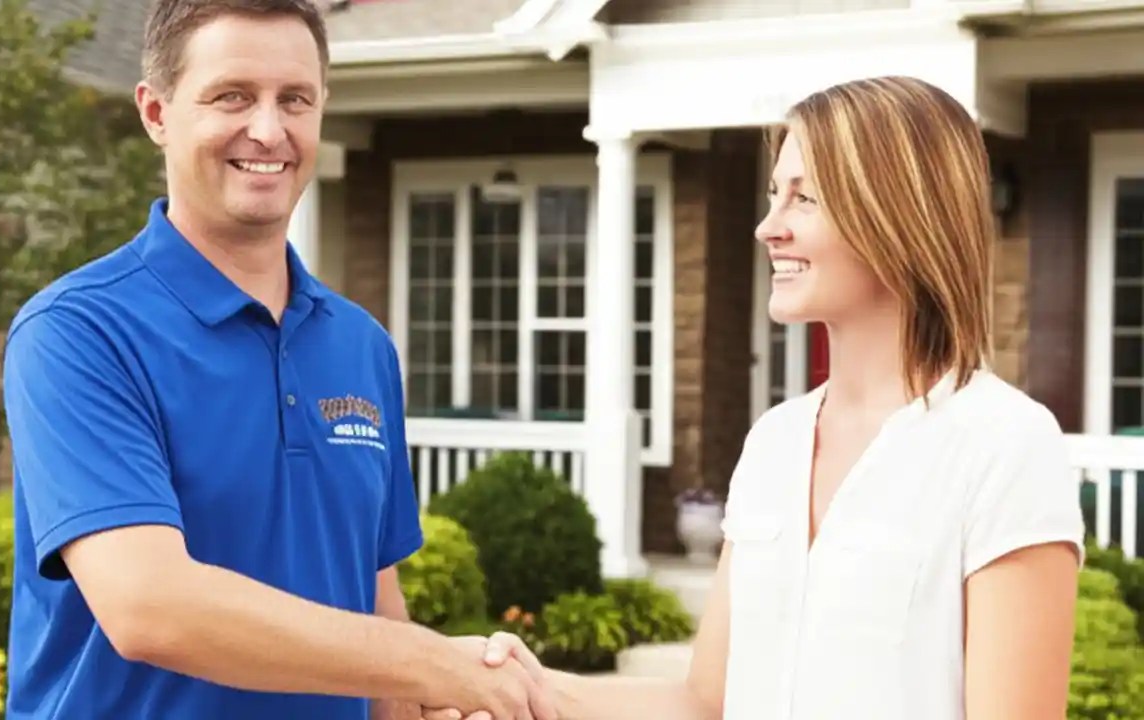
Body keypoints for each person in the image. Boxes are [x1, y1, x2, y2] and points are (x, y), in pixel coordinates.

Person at [437, 75, 1086, 720]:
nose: (766, 228)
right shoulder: (775, 440)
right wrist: (521, 687)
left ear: (896, 213)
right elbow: (704, 701)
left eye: (803, 199)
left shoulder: (1004, 446)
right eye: (775, 195)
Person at [0, 1, 556, 719]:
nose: (269, 129)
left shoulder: (361, 348)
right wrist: (436, 662)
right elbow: (150, 606)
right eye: (232, 96)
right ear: (157, 112)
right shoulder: (78, 333)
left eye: (295, 99)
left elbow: (376, 611)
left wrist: (448, 692)